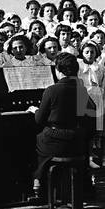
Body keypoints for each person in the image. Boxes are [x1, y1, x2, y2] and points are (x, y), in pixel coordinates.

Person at [31, 53, 84, 199]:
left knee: (36, 140)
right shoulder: (81, 88)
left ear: (58, 71)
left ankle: (38, 182)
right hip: (75, 140)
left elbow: (39, 120)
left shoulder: (52, 89)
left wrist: (34, 110)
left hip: (56, 140)